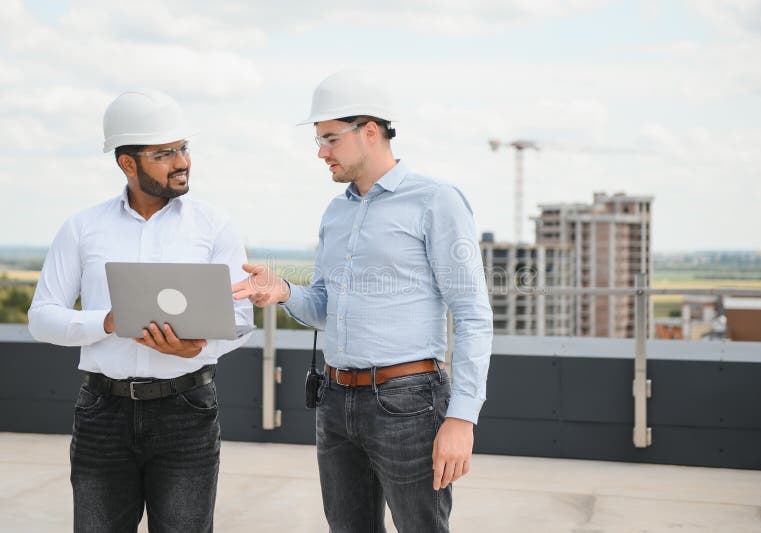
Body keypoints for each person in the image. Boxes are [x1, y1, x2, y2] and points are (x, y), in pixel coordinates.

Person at [232, 71, 493, 532]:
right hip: (335, 403)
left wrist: (461, 418)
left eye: (330, 138)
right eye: (318, 140)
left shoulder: (436, 200)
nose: (321, 152)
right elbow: (327, 307)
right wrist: (285, 292)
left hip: (408, 404)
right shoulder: (336, 212)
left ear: (369, 131)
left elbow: (473, 315)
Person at [28, 89, 253, 533]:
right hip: (101, 414)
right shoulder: (82, 228)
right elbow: (42, 317)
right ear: (127, 163)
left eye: (184, 148)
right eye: (165, 153)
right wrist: (106, 322)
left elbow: (241, 320)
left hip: (186, 411)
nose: (182, 161)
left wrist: (197, 349)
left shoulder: (215, 227)